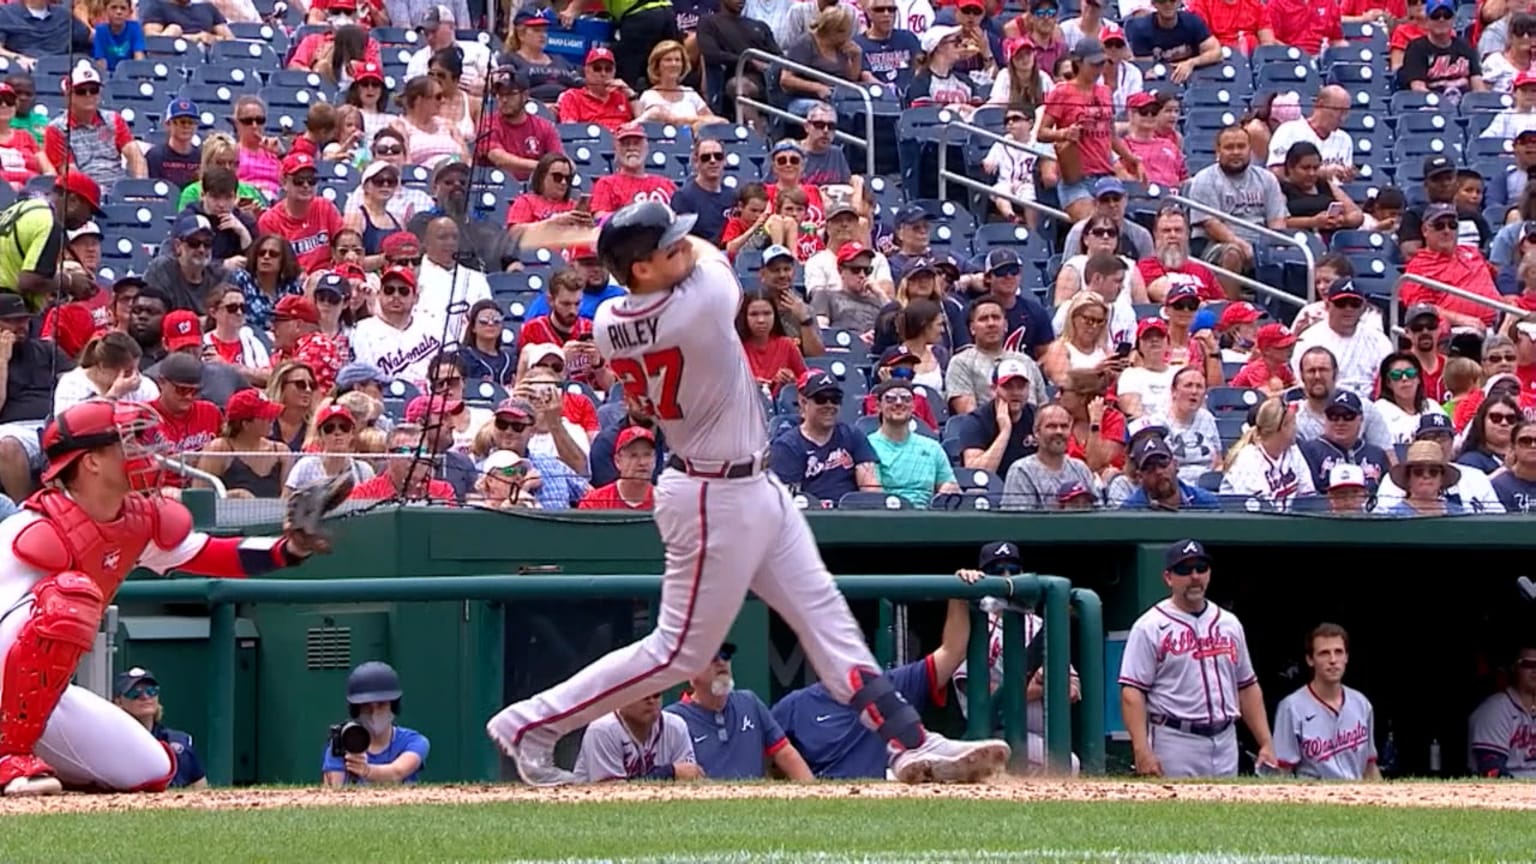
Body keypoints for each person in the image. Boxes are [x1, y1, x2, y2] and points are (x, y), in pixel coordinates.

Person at [485, 201, 1009, 786]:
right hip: (711, 493)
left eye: (679, 242)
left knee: (827, 622)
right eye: (668, 248)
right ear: (640, 269)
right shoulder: (700, 302)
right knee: (677, 653)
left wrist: (608, 235)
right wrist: (605, 230)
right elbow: (714, 252)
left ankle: (910, 742)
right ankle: (531, 724)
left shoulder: (610, 321)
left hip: (751, 483)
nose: (684, 249)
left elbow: (666, 260)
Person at [0, 398, 329, 795]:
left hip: (35, 701)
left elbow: (212, 553)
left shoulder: (133, 524)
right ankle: (9, 757)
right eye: (128, 442)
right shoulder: (28, 528)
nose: (144, 451)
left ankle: (29, 761)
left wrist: (288, 549)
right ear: (90, 462)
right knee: (68, 598)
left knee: (150, 769)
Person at [1118, 540, 1276, 779]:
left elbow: (1247, 685)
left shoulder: (1229, 623)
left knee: (1226, 814)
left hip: (1225, 739)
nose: (1195, 577)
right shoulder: (1149, 626)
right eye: (1185, 570)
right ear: (1168, 577)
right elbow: (1133, 692)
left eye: (1201, 568)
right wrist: (1141, 750)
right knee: (1175, 811)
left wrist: (1265, 742)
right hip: (1175, 739)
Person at [663, 642, 814, 780]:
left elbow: (785, 753)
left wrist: (812, 794)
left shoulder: (749, 702)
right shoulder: (673, 718)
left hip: (755, 804)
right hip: (705, 805)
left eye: (725, 656)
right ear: (691, 674)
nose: (721, 662)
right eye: (712, 657)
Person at [1270, 624, 1380, 780]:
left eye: (1339, 652)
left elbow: (1369, 767)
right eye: (1324, 653)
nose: (1333, 660)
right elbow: (1282, 771)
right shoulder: (1290, 707)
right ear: (1310, 659)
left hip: (1357, 795)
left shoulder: (1361, 703)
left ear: (1347, 657)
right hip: (1314, 797)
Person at [769, 370, 879, 503]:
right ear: (804, 403)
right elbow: (786, 502)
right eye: (820, 398)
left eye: (835, 399)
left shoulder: (852, 435)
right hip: (809, 517)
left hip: (850, 516)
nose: (829, 405)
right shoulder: (787, 445)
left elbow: (871, 489)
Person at [321, 661, 429, 786]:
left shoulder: (414, 741)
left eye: (381, 704)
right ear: (357, 709)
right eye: (366, 706)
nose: (374, 712)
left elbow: (397, 772)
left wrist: (366, 771)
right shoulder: (343, 742)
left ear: (393, 706)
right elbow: (335, 794)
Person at [109, 668, 206, 788]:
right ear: (119, 702)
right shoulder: (110, 745)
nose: (145, 697)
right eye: (134, 692)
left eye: (151, 691)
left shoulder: (180, 742)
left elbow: (200, 789)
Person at [574, 693, 702, 783]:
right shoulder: (603, 730)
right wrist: (668, 773)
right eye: (644, 694)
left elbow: (690, 778)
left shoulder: (675, 726)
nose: (651, 700)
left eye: (656, 694)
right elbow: (611, 796)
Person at [194, 389, 290, 498]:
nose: (272, 419)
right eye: (265, 416)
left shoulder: (281, 452)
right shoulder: (220, 449)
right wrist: (230, 496)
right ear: (245, 424)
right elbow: (198, 495)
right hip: (229, 514)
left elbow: (289, 498)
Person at [1221, 396, 1317, 505]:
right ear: (1282, 427)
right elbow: (1259, 511)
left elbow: (1308, 498)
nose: (1296, 428)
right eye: (1293, 424)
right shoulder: (1249, 459)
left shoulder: (1293, 452)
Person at [1001, 403, 1098, 510]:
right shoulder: (1021, 471)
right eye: (1051, 426)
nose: (1059, 431)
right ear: (1036, 432)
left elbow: (1099, 514)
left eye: (1064, 426)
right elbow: (1018, 523)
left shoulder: (1081, 469)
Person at [953, 358, 1039, 477]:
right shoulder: (976, 421)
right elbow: (977, 474)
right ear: (994, 389)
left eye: (1021, 387)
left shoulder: (1038, 417)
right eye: (1008, 386)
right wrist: (1005, 432)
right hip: (991, 491)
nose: (1015, 392)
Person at [1467, 642, 1536, 778]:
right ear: (1515, 668)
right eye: (1528, 664)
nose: (1535, 670)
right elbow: (1491, 769)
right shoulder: (1495, 710)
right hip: (1512, 791)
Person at [1383, 439, 1465, 515]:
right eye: (1418, 472)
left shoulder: (1458, 514)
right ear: (1408, 478)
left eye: (1433, 472)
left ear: (1441, 479)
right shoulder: (1393, 516)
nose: (1426, 475)